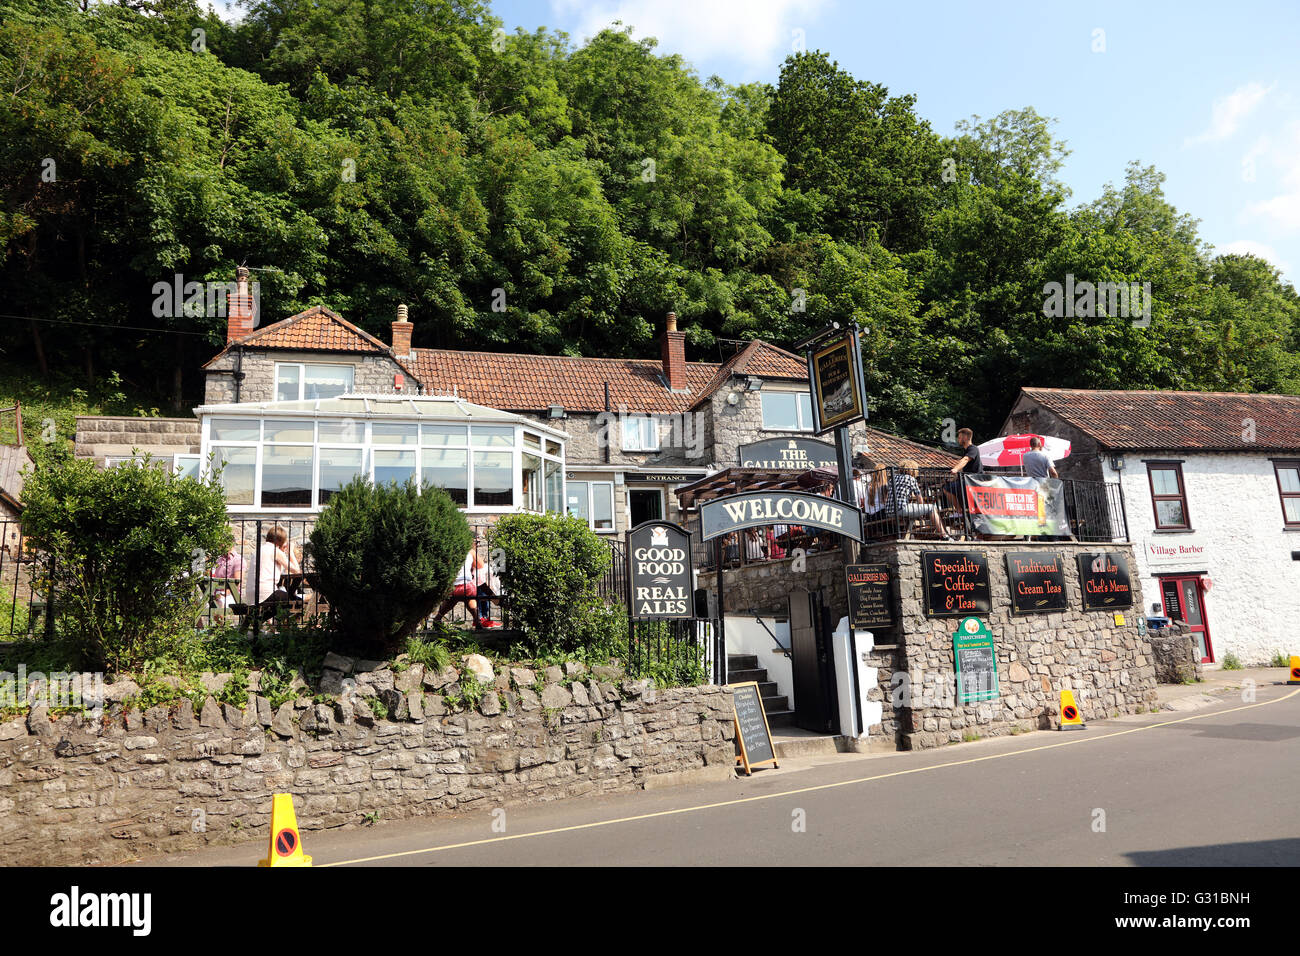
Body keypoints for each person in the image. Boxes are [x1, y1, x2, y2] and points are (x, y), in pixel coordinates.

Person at [888, 459, 954, 540]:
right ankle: (944, 535)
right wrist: (922, 513)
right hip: (902, 509)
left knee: (919, 509)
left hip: (890, 510)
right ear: (912, 470)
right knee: (931, 508)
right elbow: (919, 498)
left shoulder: (892, 479)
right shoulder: (910, 479)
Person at [435, 546, 498, 628]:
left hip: (452, 585)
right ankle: (477, 620)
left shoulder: (448, 548)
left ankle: (438, 618)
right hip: (467, 586)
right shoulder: (470, 551)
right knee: (470, 597)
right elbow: (481, 565)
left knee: (452, 599)